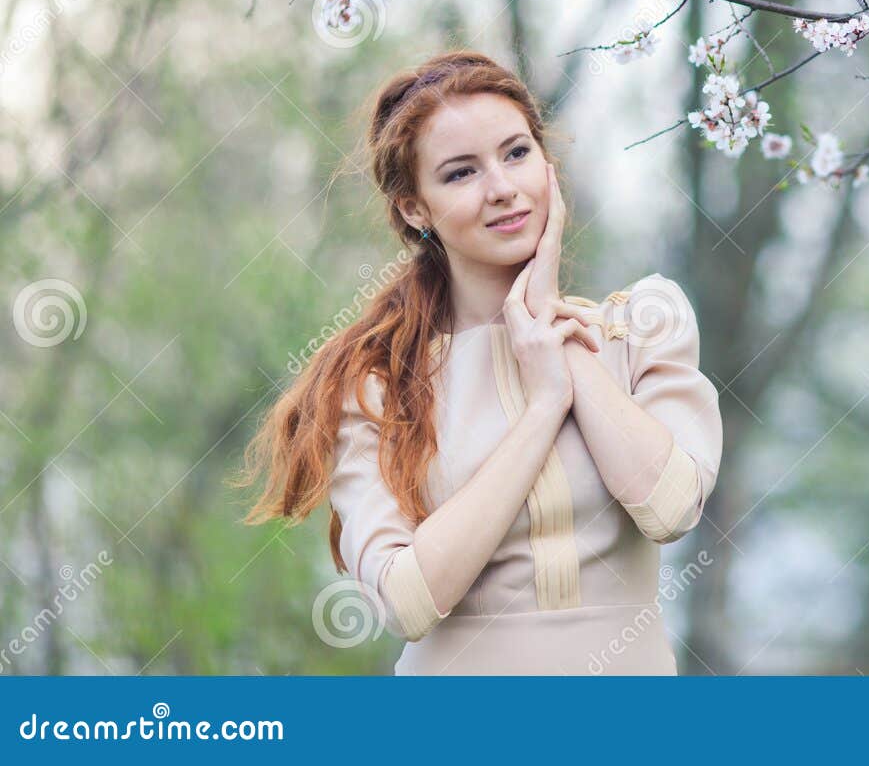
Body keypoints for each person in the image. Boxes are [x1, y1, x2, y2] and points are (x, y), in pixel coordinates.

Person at [234, 50, 723, 673]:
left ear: (546, 165)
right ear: (414, 208)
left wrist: (555, 336)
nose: (502, 189)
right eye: (461, 173)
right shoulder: (378, 386)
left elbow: (671, 508)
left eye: (516, 154)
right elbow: (407, 602)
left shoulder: (641, 328)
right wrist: (544, 407)